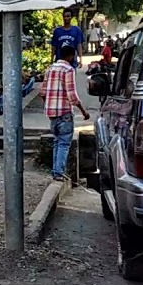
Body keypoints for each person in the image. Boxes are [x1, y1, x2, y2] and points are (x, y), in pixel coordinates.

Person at [44, 45, 92, 182]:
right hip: (64, 112)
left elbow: (43, 92)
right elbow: (72, 96)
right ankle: (59, 172)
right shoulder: (68, 70)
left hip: (52, 112)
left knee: (57, 141)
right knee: (64, 143)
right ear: (71, 56)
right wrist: (84, 112)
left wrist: (49, 105)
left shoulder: (50, 69)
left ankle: (55, 171)